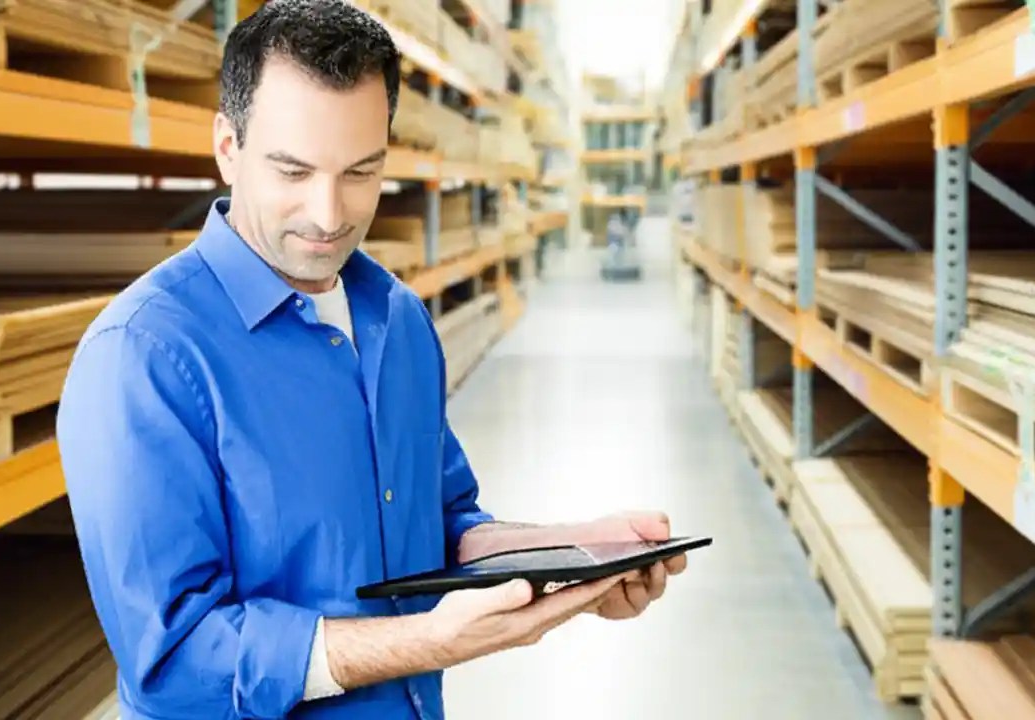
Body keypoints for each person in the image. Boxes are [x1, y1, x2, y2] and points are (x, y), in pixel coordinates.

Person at [55, 1, 688, 718]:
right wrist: (427, 643)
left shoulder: (399, 319)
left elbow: (442, 526)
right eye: (292, 171)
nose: (329, 214)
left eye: (361, 172)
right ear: (228, 146)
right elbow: (173, 660)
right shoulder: (144, 358)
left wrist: (569, 557)